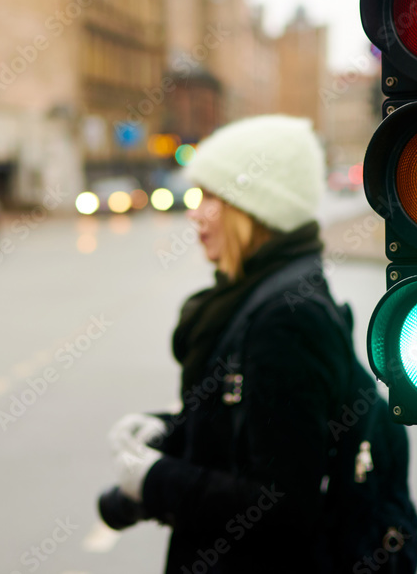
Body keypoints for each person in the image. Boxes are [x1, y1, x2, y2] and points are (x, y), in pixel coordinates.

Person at [102, 115, 384, 573]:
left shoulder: (285, 318)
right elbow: (247, 432)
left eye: (211, 196)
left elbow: (283, 502)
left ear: (255, 209)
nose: (195, 212)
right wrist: (169, 433)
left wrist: (157, 480)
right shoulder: (255, 295)